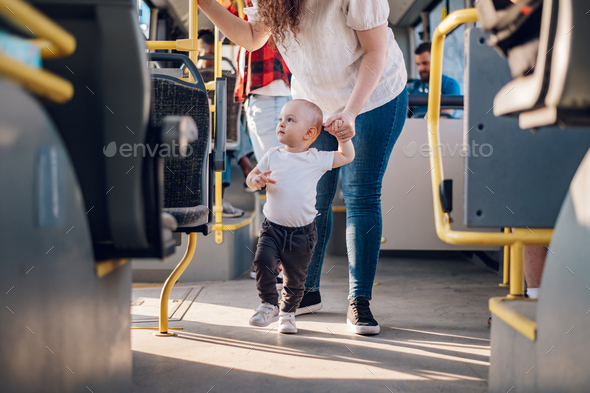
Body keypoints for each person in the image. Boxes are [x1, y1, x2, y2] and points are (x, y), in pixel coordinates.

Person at [199, 0, 408, 335]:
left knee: (360, 194)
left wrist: (350, 113)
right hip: (315, 102)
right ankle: (306, 292)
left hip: (373, 96)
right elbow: (253, 37)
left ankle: (360, 301)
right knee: (314, 200)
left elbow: (375, 51)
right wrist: (205, 4)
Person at [246, 99, 354, 334]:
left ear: (310, 132)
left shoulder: (316, 158)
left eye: (290, 120)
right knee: (263, 261)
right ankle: (267, 304)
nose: (281, 124)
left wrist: (343, 138)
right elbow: (251, 177)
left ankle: (288, 313)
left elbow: (346, 157)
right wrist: (256, 180)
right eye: (280, 119)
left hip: (302, 234)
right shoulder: (272, 155)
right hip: (272, 229)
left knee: (296, 279)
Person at [197, 27, 255, 217]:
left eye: (213, 55)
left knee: (225, 135)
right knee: (227, 133)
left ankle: (216, 200)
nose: (211, 60)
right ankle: (245, 163)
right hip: (200, 132)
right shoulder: (225, 79)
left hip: (211, 135)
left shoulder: (189, 76)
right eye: (209, 55)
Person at [408, 42, 461, 118]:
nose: (421, 68)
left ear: (437, 61)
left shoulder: (450, 85)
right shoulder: (414, 85)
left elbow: (444, 118)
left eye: (425, 63)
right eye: (418, 64)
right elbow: (402, 112)